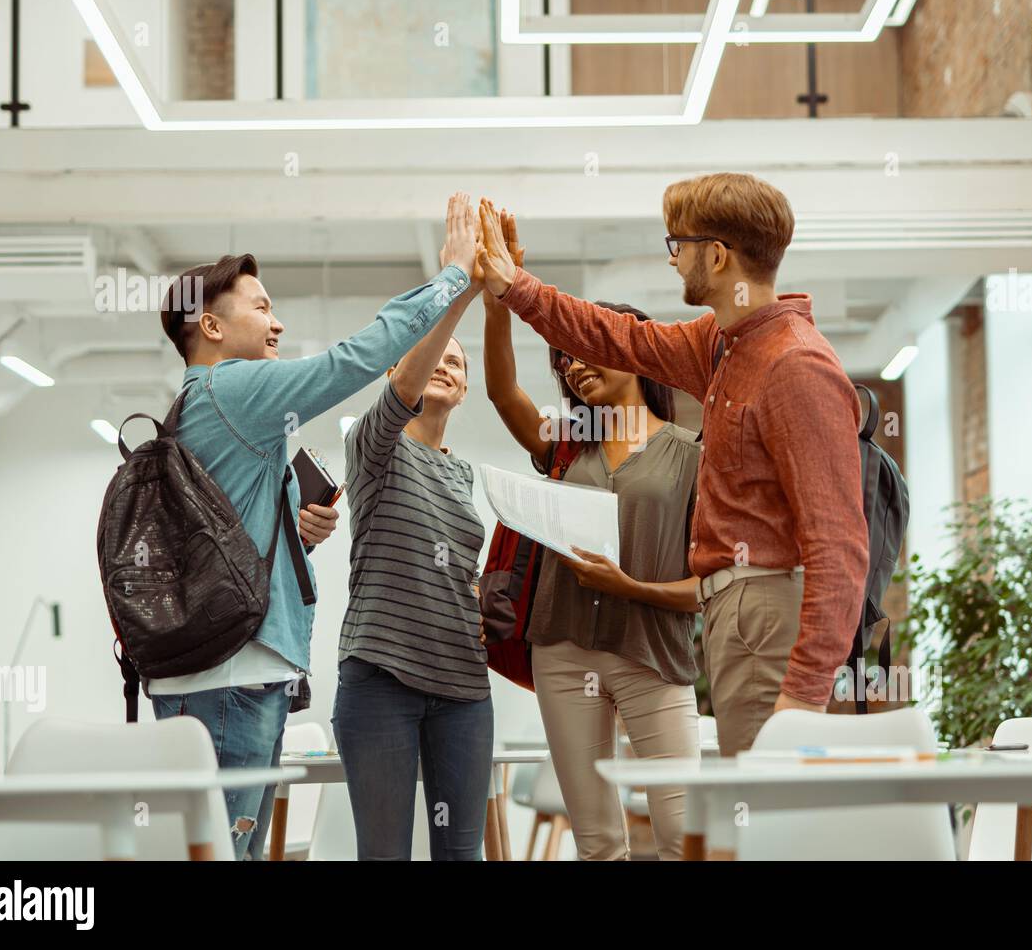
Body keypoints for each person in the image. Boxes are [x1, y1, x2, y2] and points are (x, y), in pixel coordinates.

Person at [476, 175, 870, 757]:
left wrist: (806, 692)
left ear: (716, 254)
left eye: (678, 247)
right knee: (752, 814)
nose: (674, 261)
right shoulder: (723, 342)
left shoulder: (795, 365)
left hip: (765, 607)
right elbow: (616, 336)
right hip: (731, 611)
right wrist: (513, 288)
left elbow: (839, 543)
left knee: (767, 820)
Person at [149, 192, 480, 860]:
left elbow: (220, 542)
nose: (276, 324)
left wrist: (292, 535)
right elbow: (351, 362)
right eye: (262, 307)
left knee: (220, 849)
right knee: (224, 852)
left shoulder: (201, 407)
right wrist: (454, 278)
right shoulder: (230, 389)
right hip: (230, 680)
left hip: (229, 676)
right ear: (210, 327)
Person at [482, 210, 701, 860]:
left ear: (633, 349)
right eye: (562, 362)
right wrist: (502, 292)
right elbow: (501, 393)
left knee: (682, 832)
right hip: (562, 650)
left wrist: (628, 584)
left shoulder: (690, 455)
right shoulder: (565, 446)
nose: (573, 370)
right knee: (598, 839)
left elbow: (710, 586)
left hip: (652, 655)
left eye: (584, 352)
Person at [331, 194, 492, 860]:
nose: (449, 364)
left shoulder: (464, 477)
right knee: (386, 855)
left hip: (463, 688)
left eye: (461, 362)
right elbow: (400, 394)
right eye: (435, 358)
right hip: (381, 682)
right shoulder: (376, 448)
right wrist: (460, 291)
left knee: (461, 856)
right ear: (402, 370)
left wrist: (491, 602)